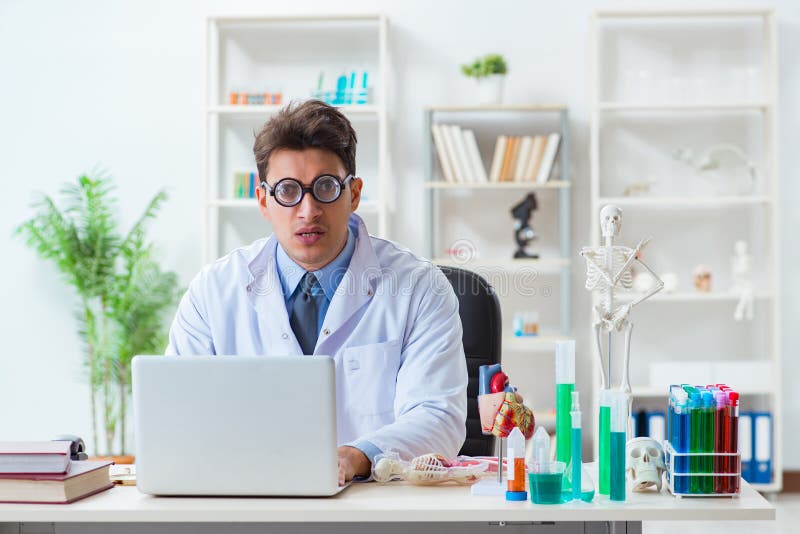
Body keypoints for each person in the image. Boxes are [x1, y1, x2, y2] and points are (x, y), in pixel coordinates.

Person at [166, 100, 467, 484]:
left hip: (375, 503)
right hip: (248, 498)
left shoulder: (420, 288)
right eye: (287, 191)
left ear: (354, 194)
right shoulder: (212, 292)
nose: (308, 210)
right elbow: (178, 414)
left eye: (325, 187)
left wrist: (358, 456)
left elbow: (438, 417)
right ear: (263, 200)